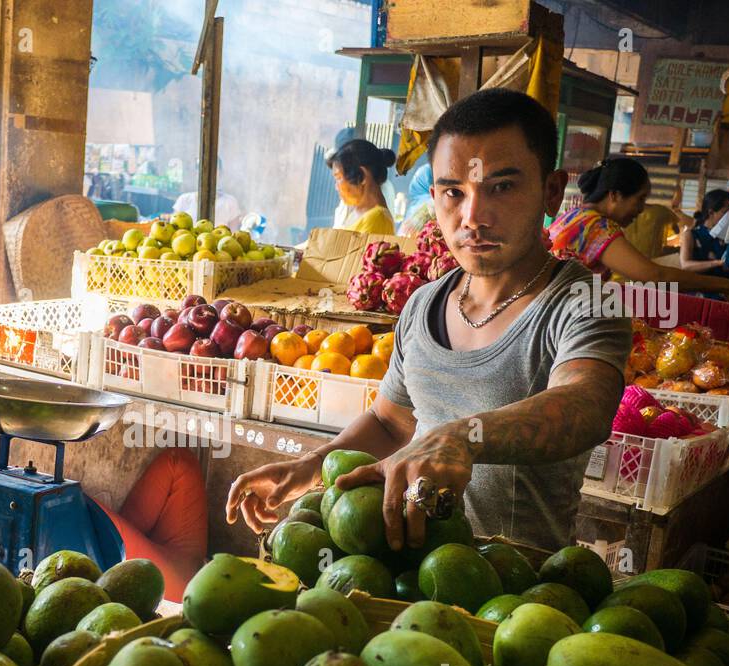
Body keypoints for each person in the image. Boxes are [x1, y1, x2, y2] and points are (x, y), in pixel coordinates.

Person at [225, 88, 632, 553]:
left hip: (518, 592)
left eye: (501, 187)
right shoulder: (423, 304)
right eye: (453, 192)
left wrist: (464, 436)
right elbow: (390, 422)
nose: (472, 217)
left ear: (552, 191)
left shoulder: (584, 302)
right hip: (406, 576)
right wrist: (312, 465)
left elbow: (586, 405)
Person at [548, 160, 729, 302]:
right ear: (615, 195)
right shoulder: (596, 226)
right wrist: (725, 285)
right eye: (640, 199)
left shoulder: (575, 215)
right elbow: (655, 276)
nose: (642, 209)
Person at [93, 448, 207, 602]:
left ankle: (113, 556)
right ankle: (114, 554)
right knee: (179, 461)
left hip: (180, 594)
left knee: (74, 505)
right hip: (194, 571)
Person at [328, 138, 397, 235]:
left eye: (339, 177)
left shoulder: (377, 219)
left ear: (362, 175)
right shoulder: (357, 213)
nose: (336, 186)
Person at [678, 188, 729, 275]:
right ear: (711, 212)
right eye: (725, 213)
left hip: (724, 286)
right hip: (699, 286)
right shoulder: (691, 235)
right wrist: (717, 263)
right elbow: (686, 265)